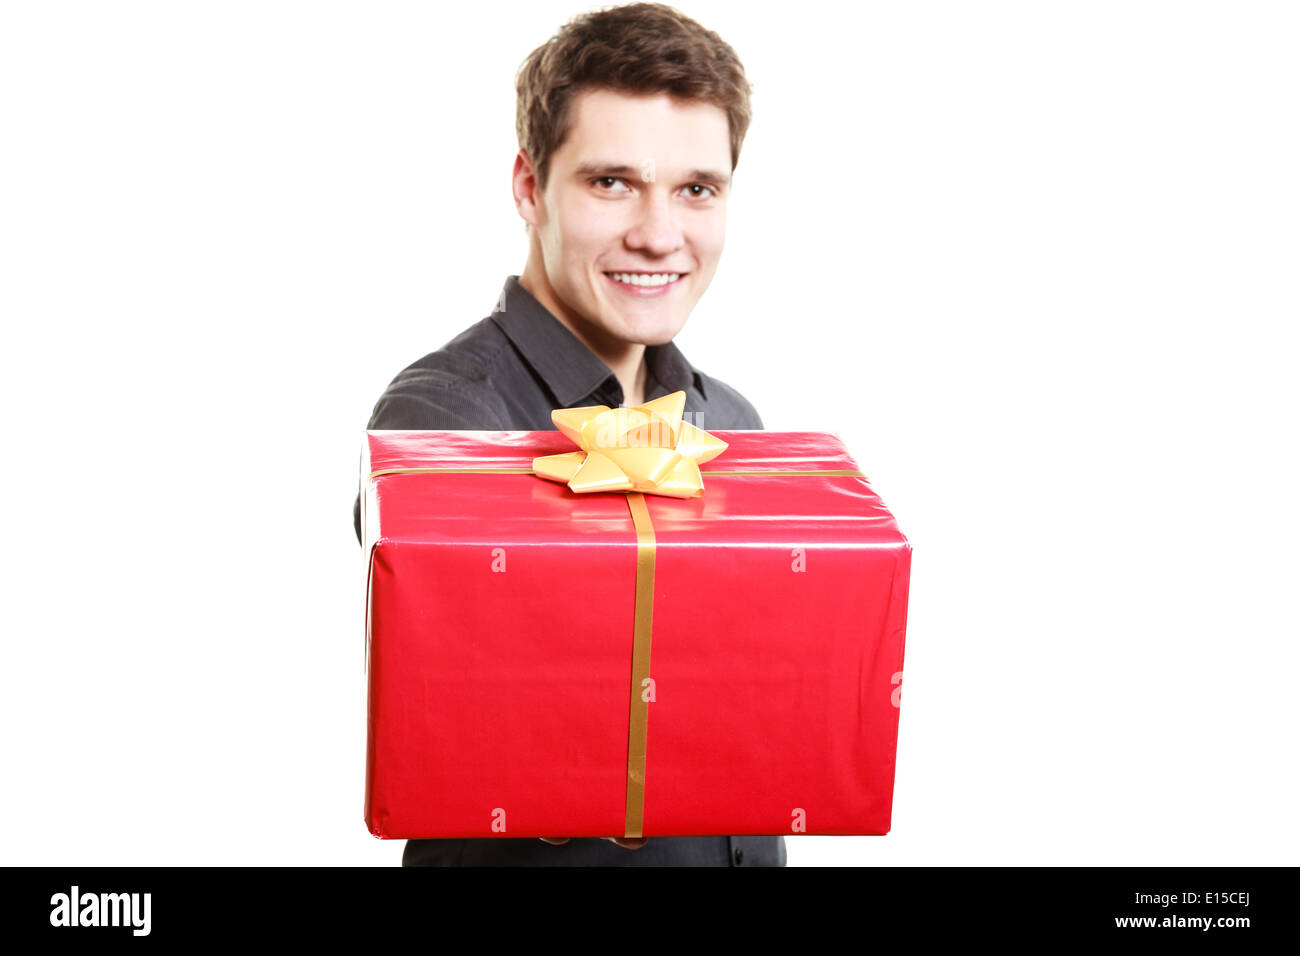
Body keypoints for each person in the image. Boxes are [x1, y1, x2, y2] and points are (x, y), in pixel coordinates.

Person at [354, 2, 785, 867]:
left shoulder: (732, 422)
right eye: (612, 182)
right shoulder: (445, 423)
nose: (659, 235)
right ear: (528, 187)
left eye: (696, 189)